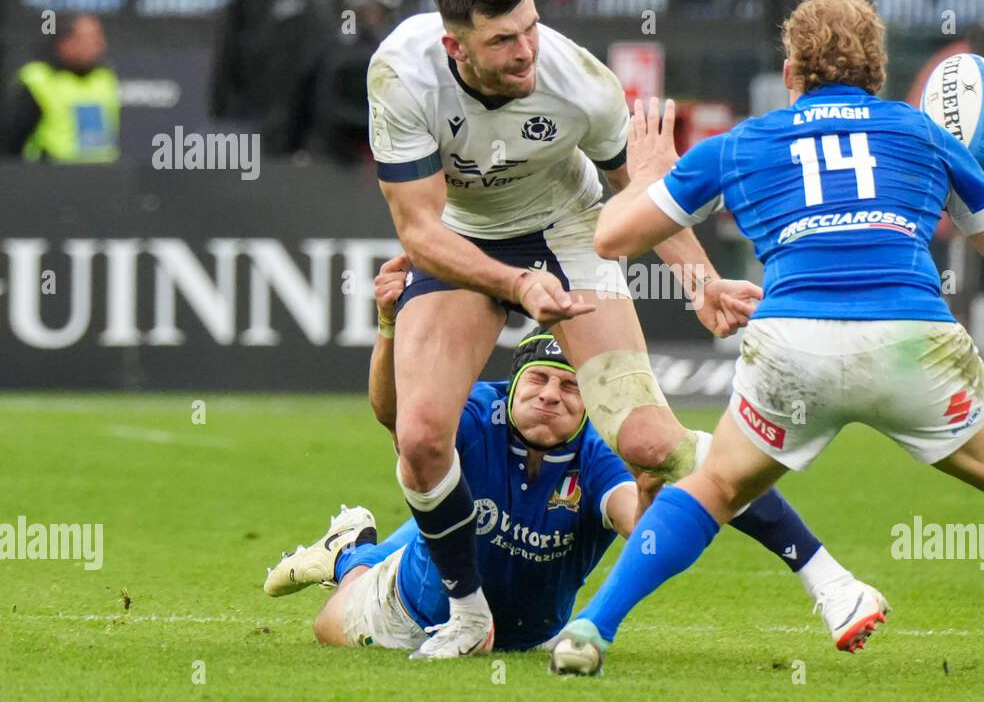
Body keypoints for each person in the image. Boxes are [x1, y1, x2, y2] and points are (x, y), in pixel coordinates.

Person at [549, 0, 984, 693]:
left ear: (791, 73)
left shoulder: (742, 143)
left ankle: (592, 627)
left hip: (793, 346)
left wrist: (645, 176)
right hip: (910, 344)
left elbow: (613, 237)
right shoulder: (923, 134)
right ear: (880, 71)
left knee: (712, 486)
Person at [366, 0, 860, 658]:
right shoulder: (400, 73)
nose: (526, 50)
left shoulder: (578, 83)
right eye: (503, 39)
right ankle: (469, 616)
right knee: (418, 437)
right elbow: (417, 228)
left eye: (531, 27)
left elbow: (645, 193)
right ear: (455, 45)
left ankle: (826, 576)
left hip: (566, 234)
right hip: (464, 239)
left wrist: (702, 282)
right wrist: (511, 284)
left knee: (651, 447)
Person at [262, 255, 886, 655]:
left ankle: (357, 544)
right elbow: (393, 416)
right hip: (409, 611)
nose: (552, 397)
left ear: (590, 404)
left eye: (571, 388)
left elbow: (643, 530)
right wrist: (390, 327)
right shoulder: (477, 410)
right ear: (514, 383)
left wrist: (646, 497)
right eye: (538, 381)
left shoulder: (599, 454)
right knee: (330, 626)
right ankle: (350, 554)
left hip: (529, 637)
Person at [2, 14, 119, 162]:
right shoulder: (38, 79)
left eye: (98, 38)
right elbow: (13, 142)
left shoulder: (104, 77)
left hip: (103, 177)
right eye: (88, 39)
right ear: (64, 43)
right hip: (51, 177)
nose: (99, 45)